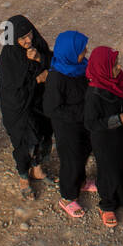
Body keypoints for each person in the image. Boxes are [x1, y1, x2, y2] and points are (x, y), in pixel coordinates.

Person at [0, 15, 54, 199]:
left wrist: (39, 58)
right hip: (18, 107)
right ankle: (23, 176)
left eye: (29, 34)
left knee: (42, 134)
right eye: (22, 38)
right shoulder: (8, 58)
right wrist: (37, 78)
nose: (28, 40)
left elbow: (52, 61)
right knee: (24, 142)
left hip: (38, 102)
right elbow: (13, 87)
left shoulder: (37, 46)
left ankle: (37, 168)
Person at [84, 46, 123, 228]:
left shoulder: (117, 81)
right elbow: (91, 123)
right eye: (114, 65)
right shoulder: (94, 93)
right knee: (109, 170)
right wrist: (118, 119)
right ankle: (107, 205)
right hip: (105, 140)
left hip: (122, 133)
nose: (119, 67)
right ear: (103, 68)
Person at [45, 31, 95, 219]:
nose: (86, 52)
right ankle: (67, 196)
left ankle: (81, 181)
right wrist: (81, 113)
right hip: (67, 127)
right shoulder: (57, 78)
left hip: (83, 123)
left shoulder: (80, 66)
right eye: (82, 50)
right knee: (71, 160)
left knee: (84, 152)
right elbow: (51, 109)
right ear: (70, 52)